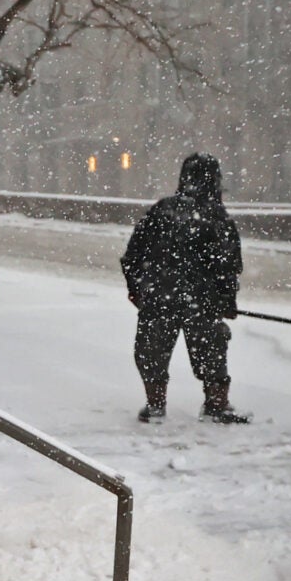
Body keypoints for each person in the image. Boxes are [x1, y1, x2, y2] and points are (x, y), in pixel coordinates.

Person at [121, 151, 249, 425]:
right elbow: (228, 264)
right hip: (202, 301)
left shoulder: (161, 210)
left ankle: (155, 404)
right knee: (211, 352)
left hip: (159, 297)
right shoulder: (217, 217)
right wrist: (227, 300)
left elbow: (133, 254)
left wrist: (137, 288)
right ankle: (216, 403)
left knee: (152, 352)